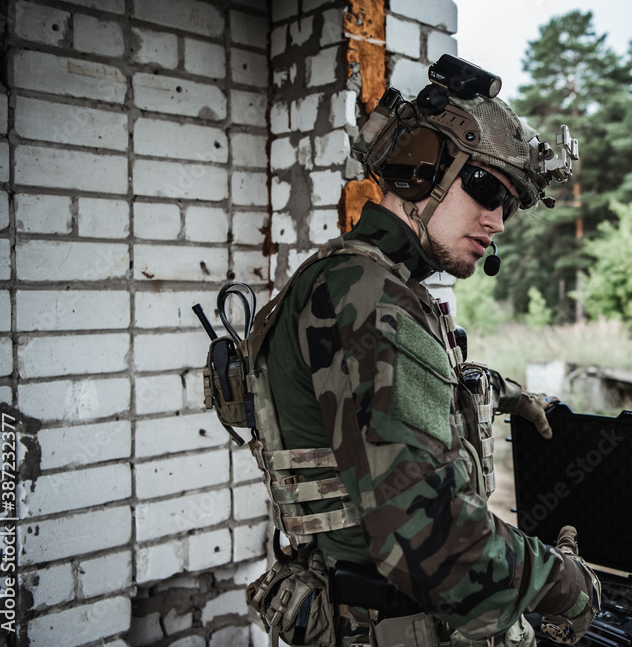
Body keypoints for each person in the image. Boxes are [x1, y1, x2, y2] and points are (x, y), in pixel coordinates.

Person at [248, 56, 599, 647]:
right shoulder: (372, 298)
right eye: (486, 188)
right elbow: (434, 544)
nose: (498, 221)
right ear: (421, 169)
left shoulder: (350, 278)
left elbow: (397, 393)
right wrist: (565, 583)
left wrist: (508, 393)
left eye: (509, 205)